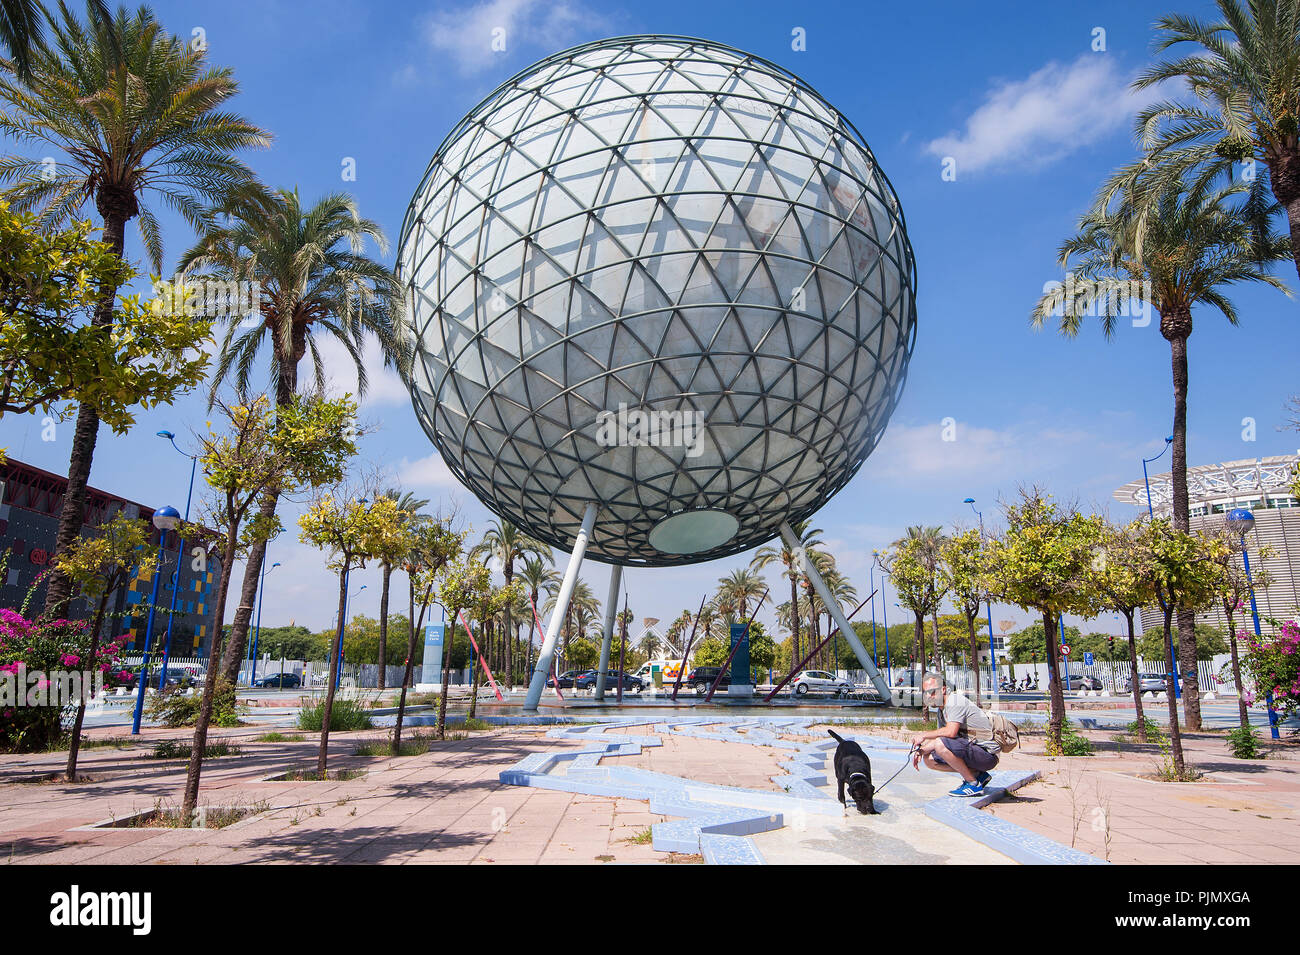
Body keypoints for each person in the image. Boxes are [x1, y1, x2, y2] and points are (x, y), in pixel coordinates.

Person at [911, 671, 1000, 797]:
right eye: (925, 693)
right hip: (973, 751)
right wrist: (921, 751)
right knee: (929, 760)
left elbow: (950, 732)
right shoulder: (941, 710)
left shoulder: (954, 701)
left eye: (932, 692)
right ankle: (977, 775)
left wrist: (924, 735)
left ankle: (973, 784)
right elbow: (942, 737)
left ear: (942, 690)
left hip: (987, 755)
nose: (929, 696)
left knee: (940, 744)